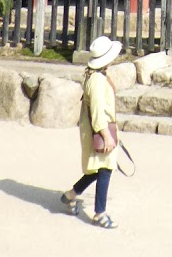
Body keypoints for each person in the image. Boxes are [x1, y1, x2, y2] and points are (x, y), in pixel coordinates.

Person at [61, 34, 122, 228]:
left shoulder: (97, 76)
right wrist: (105, 134)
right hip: (99, 129)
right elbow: (96, 111)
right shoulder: (97, 80)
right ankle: (99, 213)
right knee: (104, 169)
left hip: (100, 127)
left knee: (98, 168)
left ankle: (71, 195)